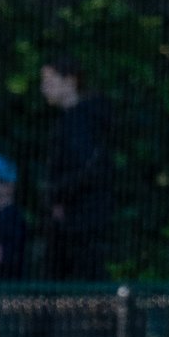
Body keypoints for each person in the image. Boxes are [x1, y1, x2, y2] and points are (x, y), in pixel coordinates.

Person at [39, 56, 113, 280]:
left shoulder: (82, 121)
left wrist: (59, 197)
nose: (44, 88)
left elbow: (88, 169)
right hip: (76, 216)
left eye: (50, 81)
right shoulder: (70, 120)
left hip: (82, 218)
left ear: (70, 81)